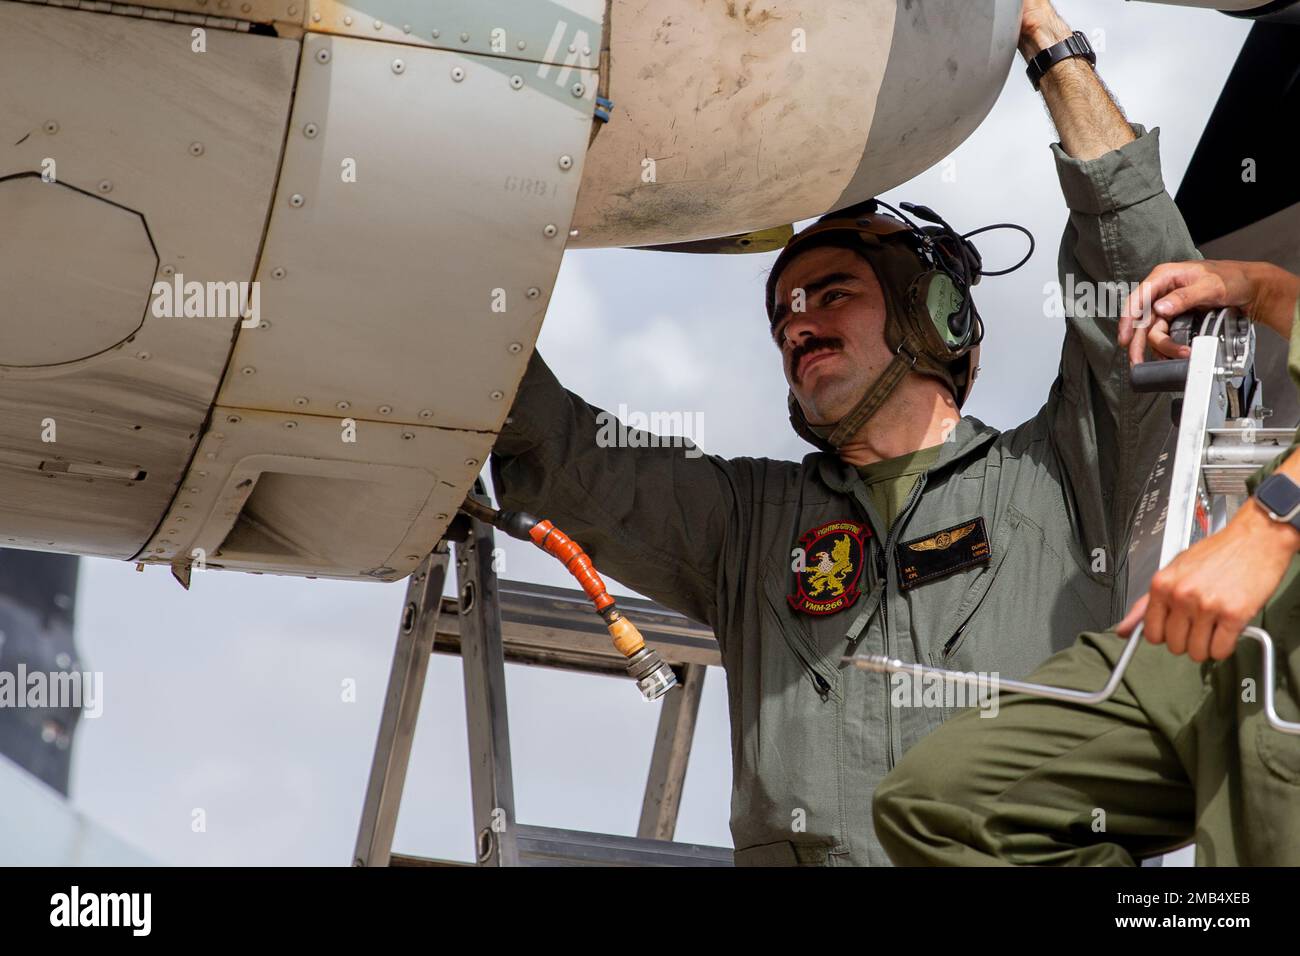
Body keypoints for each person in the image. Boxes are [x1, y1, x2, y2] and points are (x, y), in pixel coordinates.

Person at [490, 0, 1198, 865]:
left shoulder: (1061, 475)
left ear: (932, 315)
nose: (797, 324)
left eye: (832, 294)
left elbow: (1147, 277)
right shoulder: (747, 523)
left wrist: (1047, 43)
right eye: (784, 311)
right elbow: (554, 447)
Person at [871, 260, 1300, 866]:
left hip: (1270, 592)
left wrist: (1272, 523)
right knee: (936, 806)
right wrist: (1262, 289)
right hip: (1228, 633)